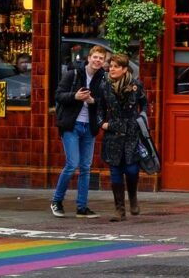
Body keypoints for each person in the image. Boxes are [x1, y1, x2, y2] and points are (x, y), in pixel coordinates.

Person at [52, 43, 108, 218]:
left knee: (85, 167)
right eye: (95, 57)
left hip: (89, 126)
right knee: (72, 164)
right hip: (72, 124)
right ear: (89, 58)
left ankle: (82, 207)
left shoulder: (103, 78)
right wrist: (75, 96)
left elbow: (105, 103)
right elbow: (58, 95)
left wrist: (93, 101)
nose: (97, 61)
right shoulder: (74, 73)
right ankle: (56, 201)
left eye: (101, 58)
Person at [100, 53, 148, 222]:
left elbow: (145, 104)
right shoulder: (105, 86)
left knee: (132, 169)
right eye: (111, 66)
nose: (112, 69)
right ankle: (119, 210)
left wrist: (141, 118)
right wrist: (102, 124)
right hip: (113, 133)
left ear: (124, 69)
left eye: (116, 66)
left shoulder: (135, 85)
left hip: (131, 133)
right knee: (115, 171)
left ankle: (133, 198)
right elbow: (99, 109)